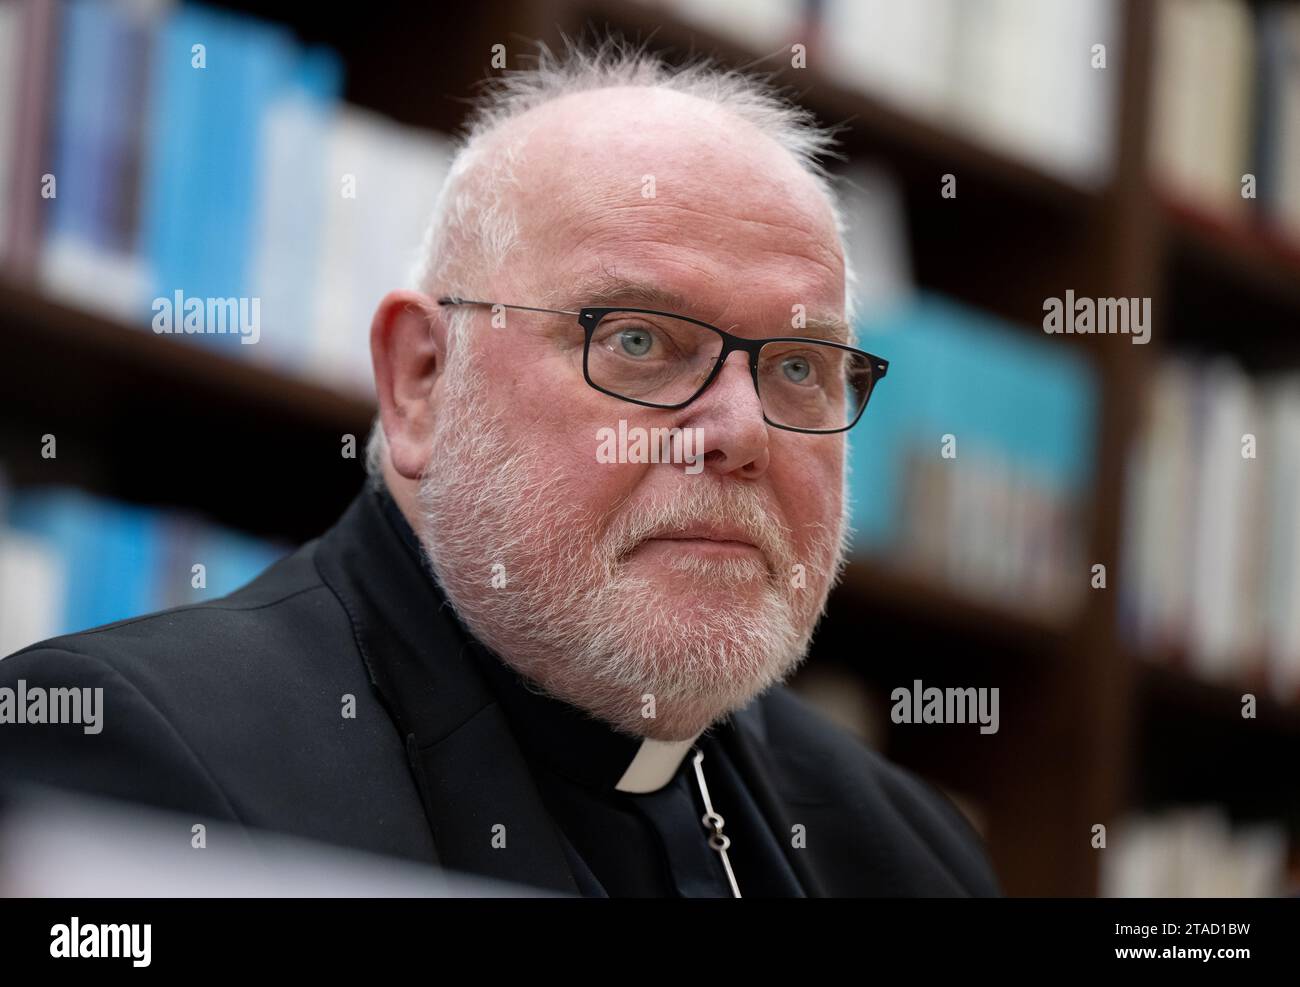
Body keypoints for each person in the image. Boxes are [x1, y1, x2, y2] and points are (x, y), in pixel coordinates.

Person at [0, 43, 998, 897]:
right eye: (640, 342)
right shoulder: (138, 760)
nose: (741, 432)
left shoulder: (915, 853)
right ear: (422, 382)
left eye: (796, 366)